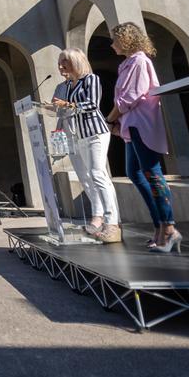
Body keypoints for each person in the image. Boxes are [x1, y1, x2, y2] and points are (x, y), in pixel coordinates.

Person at [105, 22, 180, 253]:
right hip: (131, 124)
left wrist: (110, 119)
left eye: (115, 39)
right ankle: (159, 225)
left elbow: (131, 97)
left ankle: (168, 228)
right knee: (135, 173)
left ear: (126, 39)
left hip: (140, 123)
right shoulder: (127, 64)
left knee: (152, 173)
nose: (112, 44)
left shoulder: (139, 61)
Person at [52, 48, 121, 243]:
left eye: (64, 62)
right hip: (73, 135)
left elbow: (91, 104)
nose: (60, 66)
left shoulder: (90, 79)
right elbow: (58, 109)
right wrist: (53, 107)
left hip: (93, 133)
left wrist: (66, 105)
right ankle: (97, 217)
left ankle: (112, 222)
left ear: (76, 62)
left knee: (98, 174)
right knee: (85, 177)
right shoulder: (64, 86)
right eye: (59, 63)